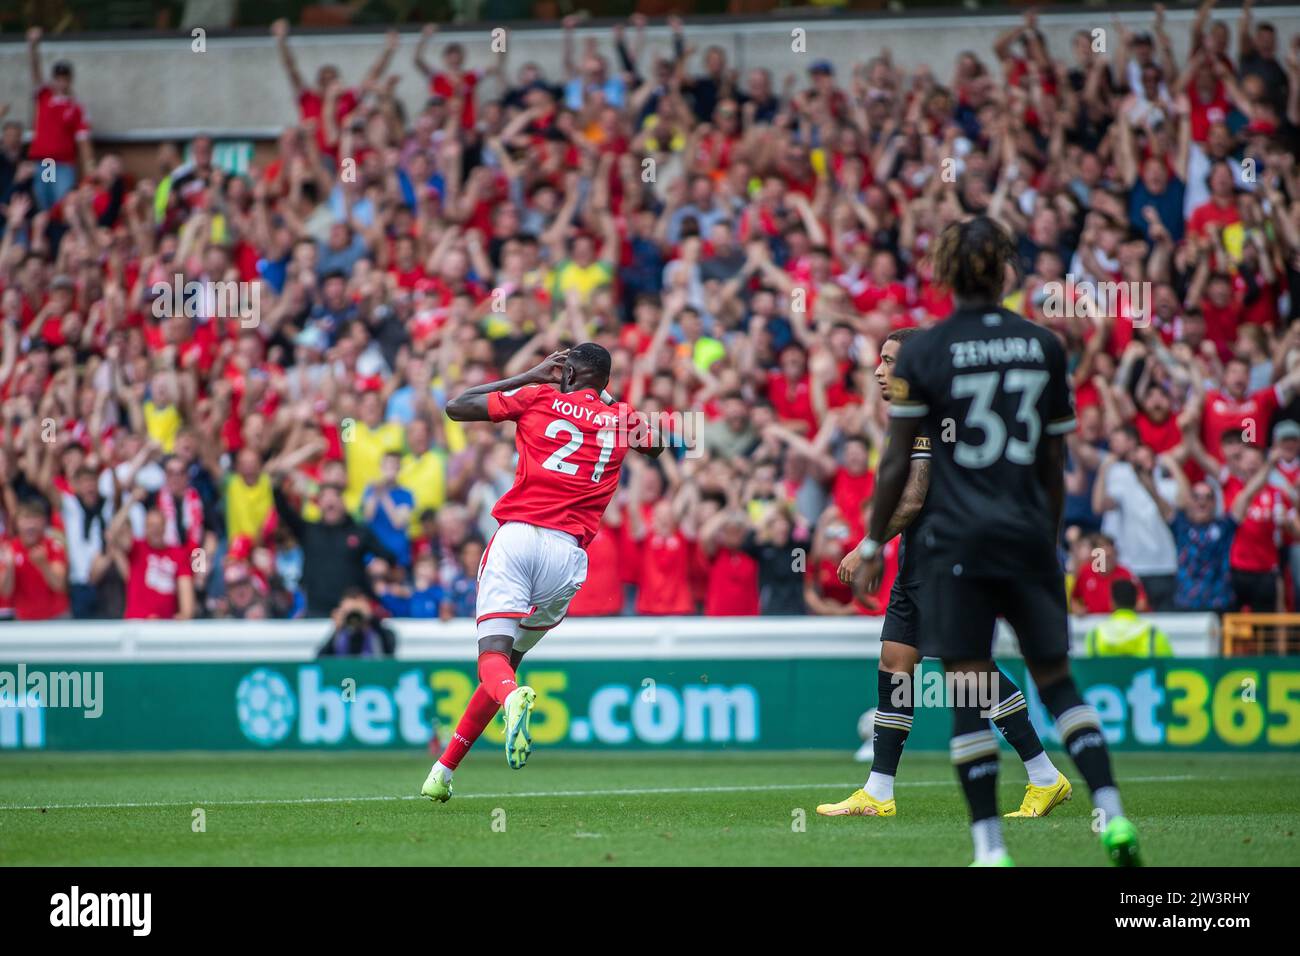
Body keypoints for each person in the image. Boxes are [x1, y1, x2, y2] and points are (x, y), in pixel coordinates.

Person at [854, 217, 1139, 867]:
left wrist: (871, 543)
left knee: (965, 690)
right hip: (1029, 536)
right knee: (1059, 684)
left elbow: (902, 465)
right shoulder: (1043, 346)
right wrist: (1048, 538)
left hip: (960, 543)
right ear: (1005, 270)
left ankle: (989, 850)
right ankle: (1113, 816)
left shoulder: (929, 352)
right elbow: (1053, 463)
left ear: (948, 272)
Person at [822, 327, 1066, 821]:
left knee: (969, 674)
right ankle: (878, 790)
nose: (878, 370)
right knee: (896, 661)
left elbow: (913, 497)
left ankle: (1044, 774)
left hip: (945, 561)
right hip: (922, 561)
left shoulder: (932, 418)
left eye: (889, 360)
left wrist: (868, 546)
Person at [419, 345, 661, 802]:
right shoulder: (622, 419)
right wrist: (607, 400)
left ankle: (512, 699)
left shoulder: (537, 397)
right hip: (568, 559)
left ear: (566, 371)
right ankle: (443, 772)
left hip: (519, 538)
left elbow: (456, 406)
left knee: (493, 659)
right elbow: (659, 444)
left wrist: (528, 374)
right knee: (507, 665)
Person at [1084, 580, 1174, 657]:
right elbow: (1169, 668)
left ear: (1112, 603)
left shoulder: (1094, 635)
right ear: (1136, 602)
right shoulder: (1153, 633)